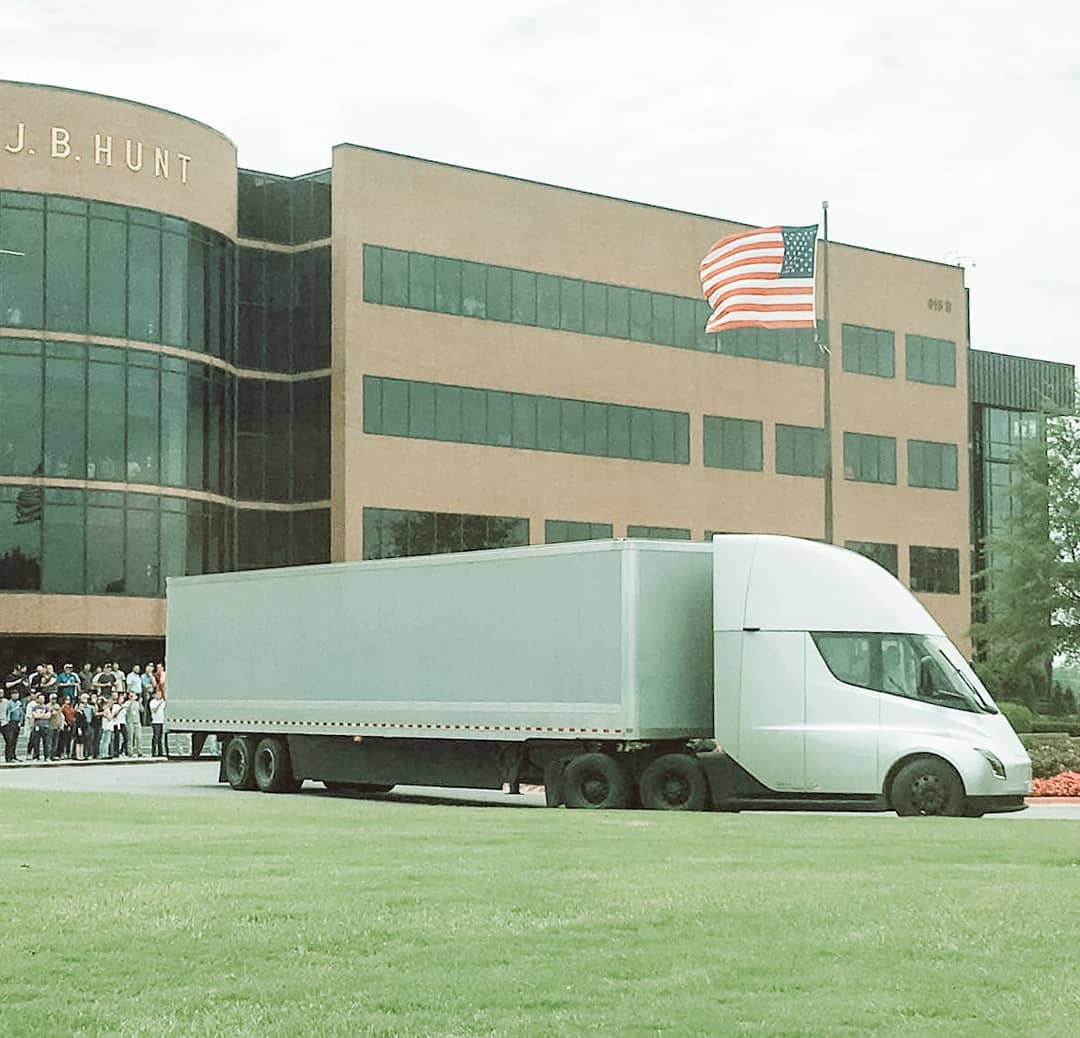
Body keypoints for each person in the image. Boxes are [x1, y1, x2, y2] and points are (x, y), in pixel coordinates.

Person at [3, 688, 24, 762]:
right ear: (11, 695)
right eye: (14, 694)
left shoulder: (19, 703)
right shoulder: (9, 703)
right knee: (10, 740)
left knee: (15, 740)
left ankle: (14, 756)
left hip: (17, 722)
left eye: (17, 694)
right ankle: (9, 757)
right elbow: (7, 712)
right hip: (10, 722)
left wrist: (21, 721)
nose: (16, 695)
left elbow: (21, 712)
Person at [149, 687, 166, 758]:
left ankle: (160, 752)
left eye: (160, 694)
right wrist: (159, 704)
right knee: (155, 736)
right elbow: (154, 710)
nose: (159, 696)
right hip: (155, 721)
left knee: (160, 737)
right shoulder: (152, 702)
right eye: (158, 694)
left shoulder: (163, 702)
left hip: (161, 721)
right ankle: (153, 751)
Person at [126, 692, 143, 757]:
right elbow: (127, 710)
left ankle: (140, 751)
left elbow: (142, 710)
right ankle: (130, 752)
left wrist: (140, 703)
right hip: (130, 722)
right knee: (130, 737)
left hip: (137, 721)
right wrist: (131, 702)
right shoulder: (127, 703)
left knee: (138, 737)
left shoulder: (137, 703)